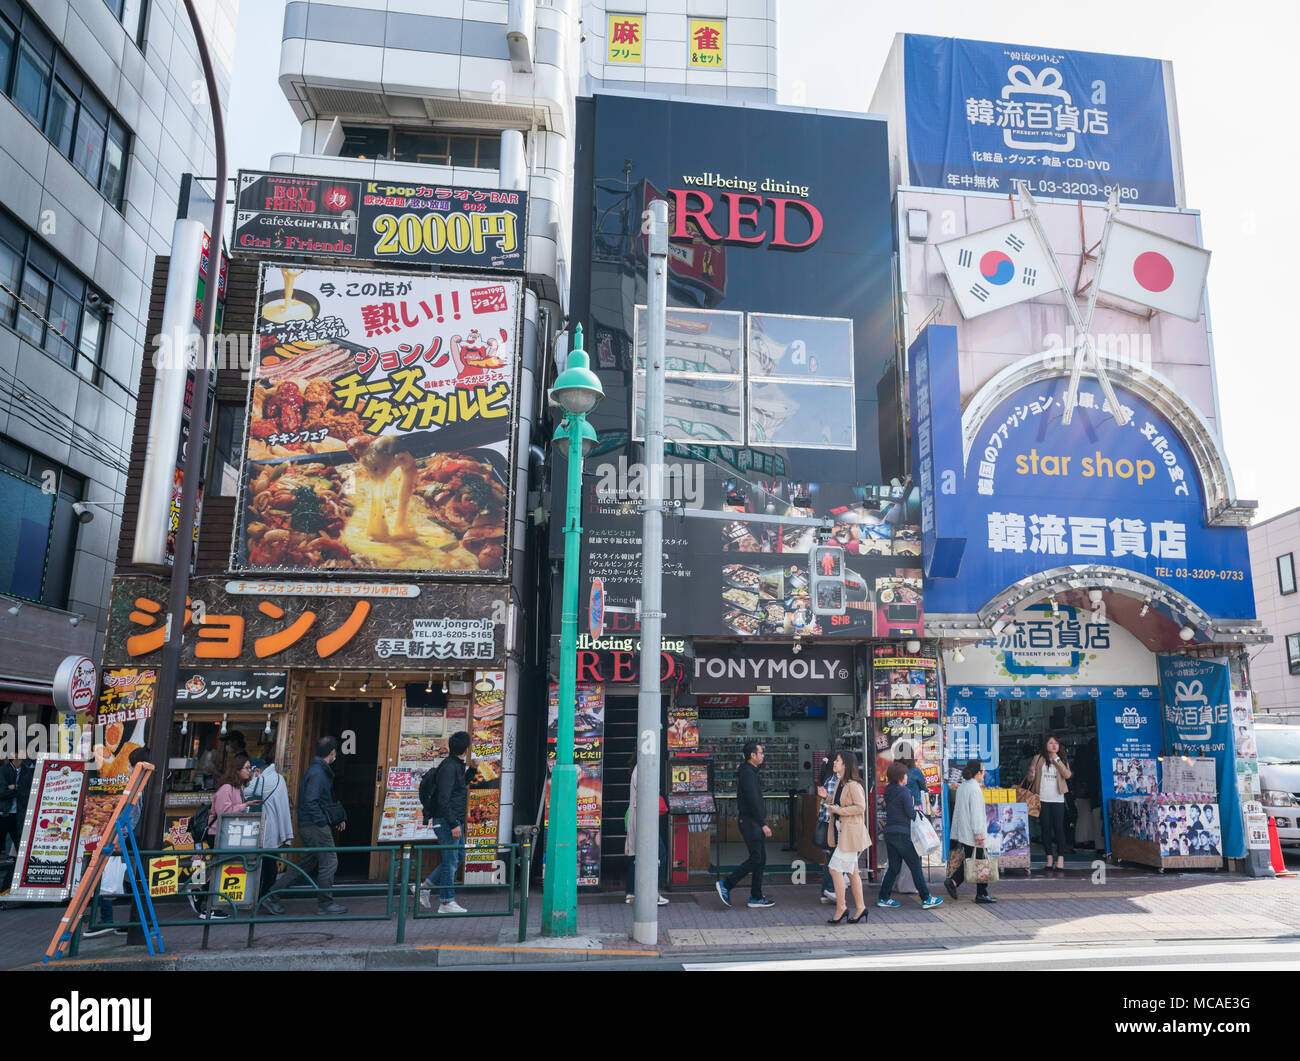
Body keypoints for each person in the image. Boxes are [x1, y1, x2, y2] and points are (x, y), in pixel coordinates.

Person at [270, 736, 347, 915]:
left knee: (305, 864)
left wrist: (334, 818)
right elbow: (312, 801)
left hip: (308, 823)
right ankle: (325, 903)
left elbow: (320, 800)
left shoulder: (317, 770)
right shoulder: (318, 773)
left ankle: (272, 895)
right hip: (314, 825)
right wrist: (322, 821)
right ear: (333, 752)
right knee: (329, 861)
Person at [85, 747, 151, 938]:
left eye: (131, 763)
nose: (128, 767)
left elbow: (132, 814)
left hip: (126, 838)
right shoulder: (146, 782)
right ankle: (128, 922)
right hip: (136, 838)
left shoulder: (137, 784)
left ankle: (107, 921)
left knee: (108, 877)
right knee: (130, 880)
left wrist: (118, 837)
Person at [418, 731, 476, 914]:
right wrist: (452, 824)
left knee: (458, 857)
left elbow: (458, 787)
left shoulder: (455, 765)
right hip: (446, 821)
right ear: (466, 748)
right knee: (451, 860)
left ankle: (425, 886)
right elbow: (444, 799)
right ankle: (446, 902)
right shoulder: (450, 767)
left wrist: (472, 770)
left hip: (452, 820)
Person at [716, 742, 775, 909]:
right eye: (761, 753)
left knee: (760, 859)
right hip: (750, 822)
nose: (763, 755)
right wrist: (763, 824)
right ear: (752, 756)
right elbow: (752, 800)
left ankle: (756, 897)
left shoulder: (750, 772)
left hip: (752, 821)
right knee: (757, 858)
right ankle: (727, 884)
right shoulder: (748, 773)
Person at [877, 759, 941, 910]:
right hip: (902, 834)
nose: (907, 777)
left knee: (894, 867)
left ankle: (883, 897)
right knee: (915, 865)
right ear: (901, 777)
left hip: (890, 833)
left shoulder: (889, 790)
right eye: (905, 775)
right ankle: (926, 898)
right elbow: (910, 813)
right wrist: (918, 812)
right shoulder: (904, 792)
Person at [821, 751, 871, 923]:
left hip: (850, 835)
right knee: (852, 872)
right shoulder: (839, 783)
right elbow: (838, 802)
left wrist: (838, 810)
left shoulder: (853, 785)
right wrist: (826, 798)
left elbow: (860, 807)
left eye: (838, 760)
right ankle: (861, 908)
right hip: (843, 833)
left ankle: (842, 908)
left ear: (846, 765)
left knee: (834, 869)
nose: (834, 763)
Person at [245, 756, 293, 916]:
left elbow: (243, 791)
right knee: (270, 863)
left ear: (257, 771)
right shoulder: (278, 778)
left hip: (265, 829)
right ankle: (265, 897)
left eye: (250, 772)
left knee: (266, 865)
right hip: (274, 829)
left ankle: (264, 897)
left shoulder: (264, 781)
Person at [944, 759, 995, 904]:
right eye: (983, 771)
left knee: (971, 861)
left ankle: (955, 883)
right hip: (973, 833)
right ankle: (979, 893)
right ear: (978, 773)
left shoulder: (963, 787)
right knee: (979, 862)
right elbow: (977, 814)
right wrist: (979, 834)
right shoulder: (975, 789)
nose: (984, 774)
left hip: (964, 831)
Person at [624, 757, 668, 906]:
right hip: (644, 818)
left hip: (638, 817)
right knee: (659, 853)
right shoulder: (643, 769)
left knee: (635, 854)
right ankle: (653, 892)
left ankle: (631, 893)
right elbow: (646, 794)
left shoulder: (638, 768)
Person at [1025, 734, 1072, 871]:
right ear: (1045, 745)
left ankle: (1061, 859)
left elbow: (1067, 775)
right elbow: (1029, 779)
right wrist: (1032, 772)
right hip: (1042, 798)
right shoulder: (1038, 758)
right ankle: (1049, 858)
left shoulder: (1061, 759)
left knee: (1059, 828)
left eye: (1056, 743)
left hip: (1057, 799)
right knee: (1045, 828)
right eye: (1051, 743)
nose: (1054, 745)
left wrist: (1057, 760)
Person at [815, 758, 847, 903]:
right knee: (838, 859)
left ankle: (826, 892)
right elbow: (830, 810)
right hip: (835, 826)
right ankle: (831, 889)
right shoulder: (836, 781)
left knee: (833, 859)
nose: (835, 763)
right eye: (835, 760)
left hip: (834, 826)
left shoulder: (832, 780)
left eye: (838, 760)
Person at [896, 742, 930, 816]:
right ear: (911, 755)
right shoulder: (915, 771)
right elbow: (924, 789)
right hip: (914, 807)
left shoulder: (894, 771)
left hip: (897, 807)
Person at [0, 755, 19, 856]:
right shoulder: (3, 771)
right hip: (4, 813)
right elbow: (2, 792)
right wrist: (17, 790)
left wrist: (15, 787)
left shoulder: (25, 771)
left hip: (17, 813)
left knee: (19, 841)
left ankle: (19, 865)